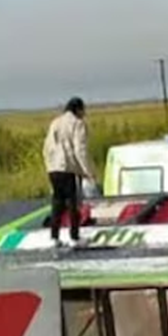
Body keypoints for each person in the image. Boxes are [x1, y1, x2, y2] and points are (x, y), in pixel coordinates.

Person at [42, 96, 97, 248]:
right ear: (78, 109)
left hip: (53, 168)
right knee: (73, 203)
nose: (84, 113)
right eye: (83, 110)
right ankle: (74, 237)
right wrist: (88, 171)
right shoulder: (77, 124)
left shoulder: (55, 122)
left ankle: (54, 237)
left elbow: (46, 148)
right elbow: (80, 150)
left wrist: (49, 168)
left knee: (57, 203)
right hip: (68, 168)